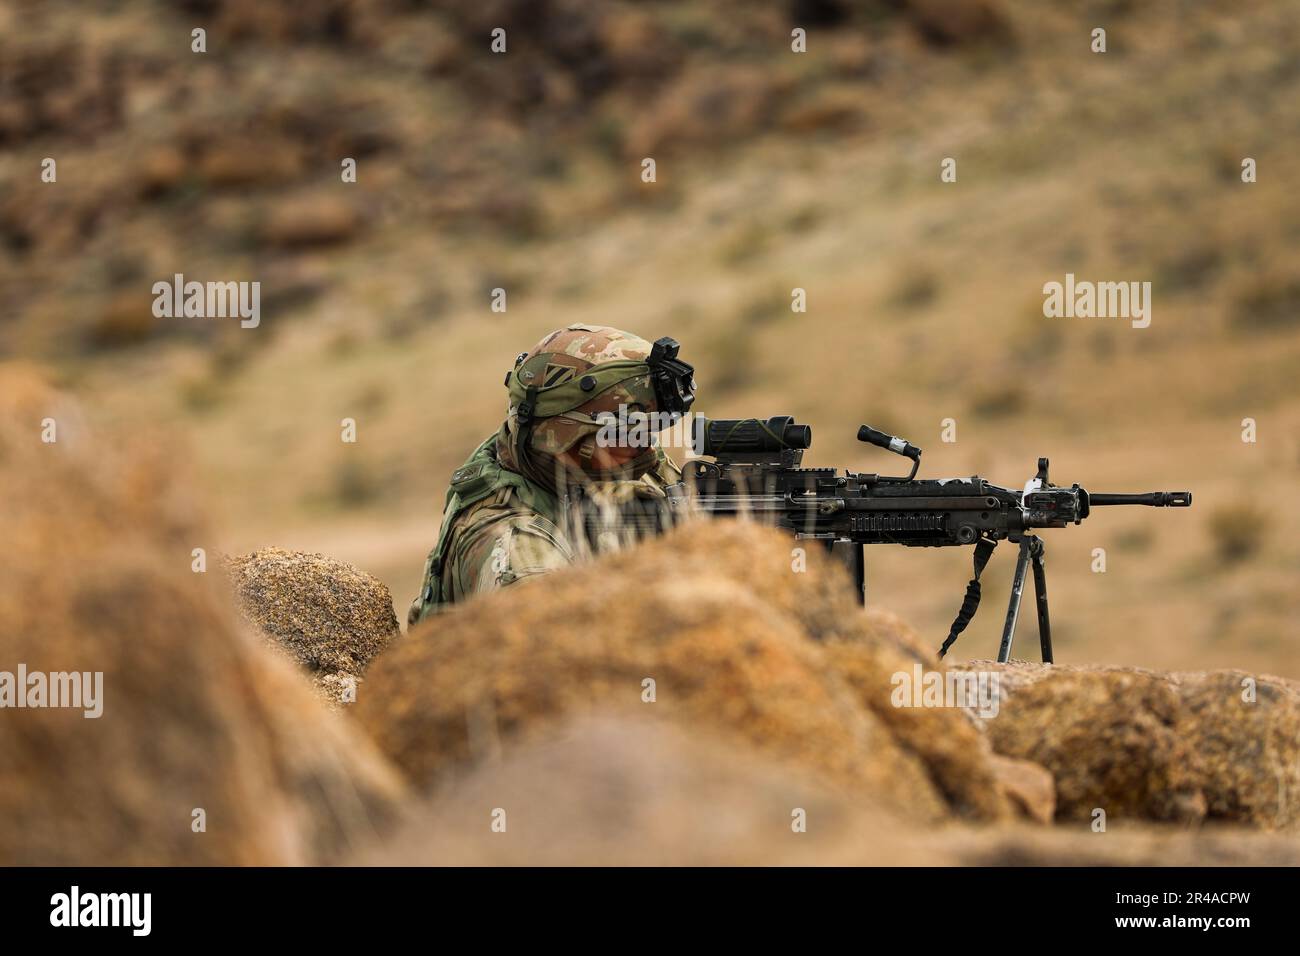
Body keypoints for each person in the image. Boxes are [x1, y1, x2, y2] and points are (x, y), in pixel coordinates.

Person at [408, 323, 695, 625]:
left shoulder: (595, 466)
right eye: (628, 433)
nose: (646, 451)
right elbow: (559, 654)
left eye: (650, 430)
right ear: (562, 436)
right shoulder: (515, 546)